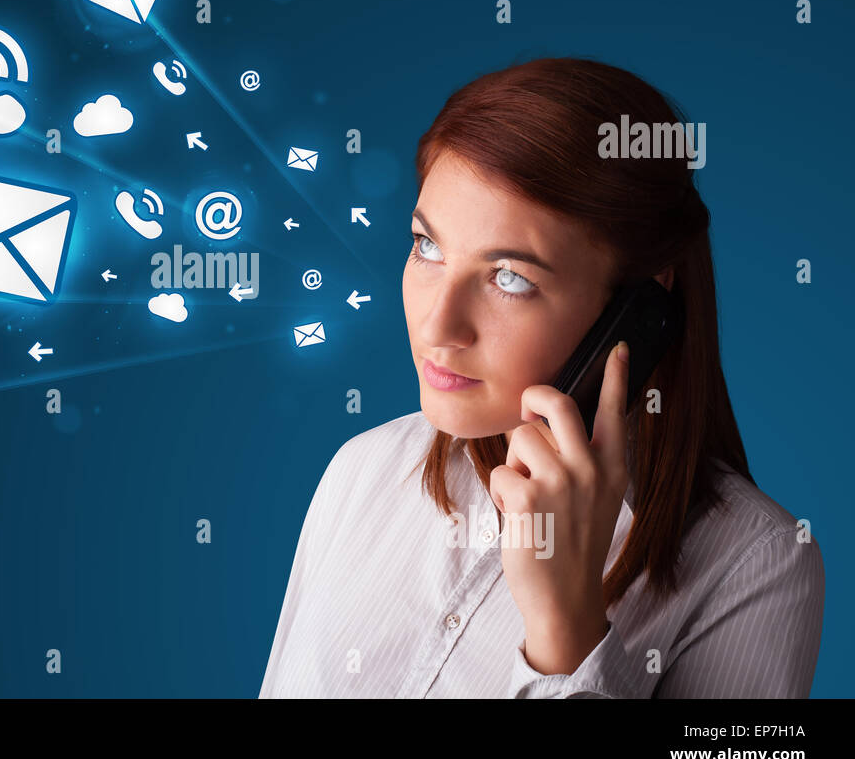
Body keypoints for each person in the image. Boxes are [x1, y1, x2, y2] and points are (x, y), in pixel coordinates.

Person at [259, 57, 824, 698]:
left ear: (638, 311)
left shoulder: (758, 566)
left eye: (510, 278)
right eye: (428, 246)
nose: (439, 327)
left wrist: (565, 635)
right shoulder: (361, 471)